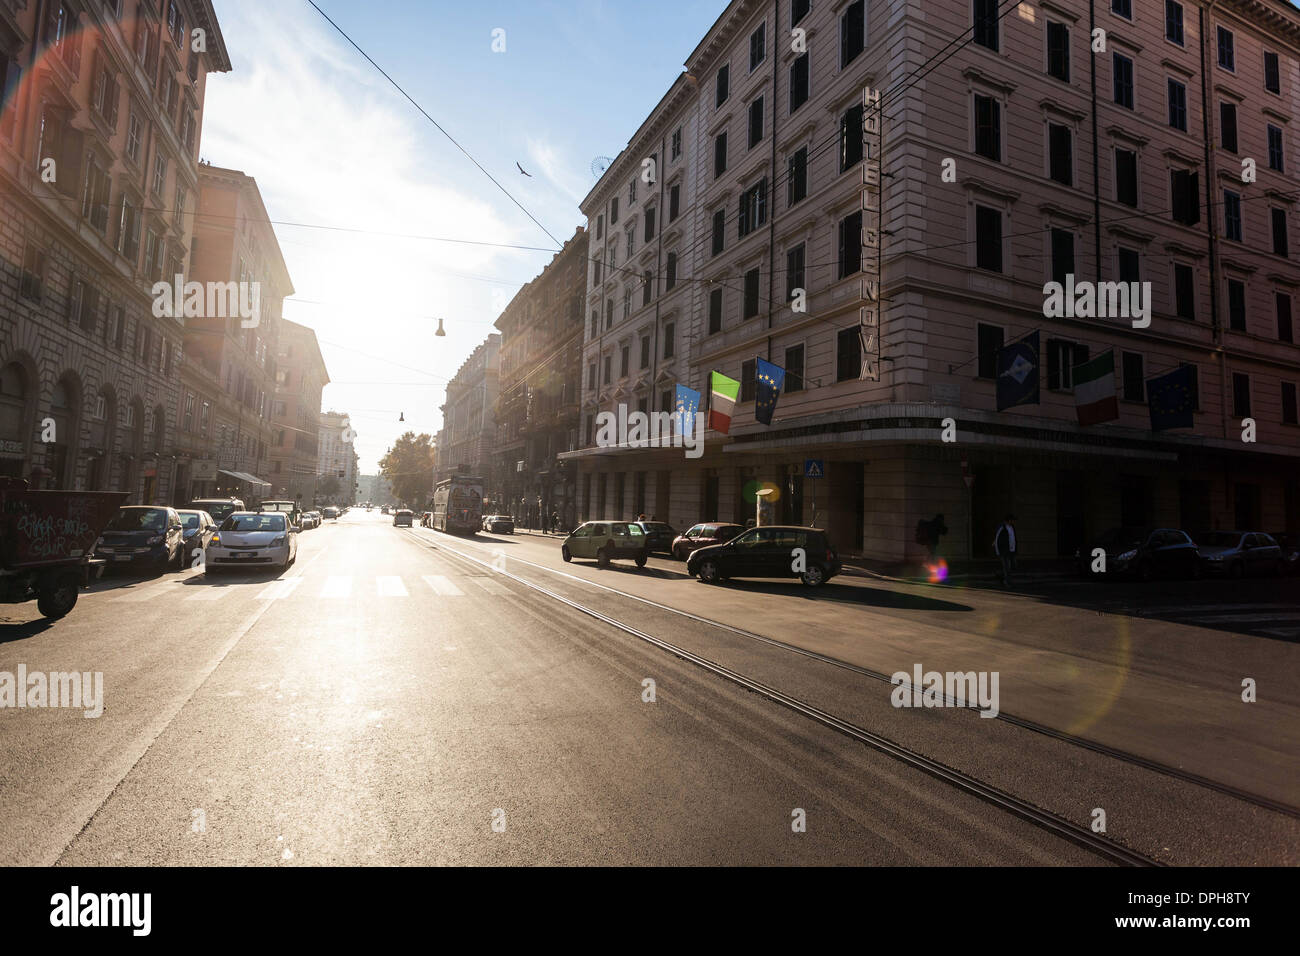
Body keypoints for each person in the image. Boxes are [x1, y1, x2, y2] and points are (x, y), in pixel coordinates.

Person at [993, 514, 1017, 587]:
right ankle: (1007, 582)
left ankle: (1001, 577)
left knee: (1012, 566)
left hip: (1011, 550)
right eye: (1012, 520)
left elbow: (1013, 539)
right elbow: (997, 539)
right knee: (1007, 567)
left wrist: (1015, 550)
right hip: (1004, 551)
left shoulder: (1012, 527)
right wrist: (998, 551)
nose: (1013, 521)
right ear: (1008, 520)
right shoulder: (1002, 528)